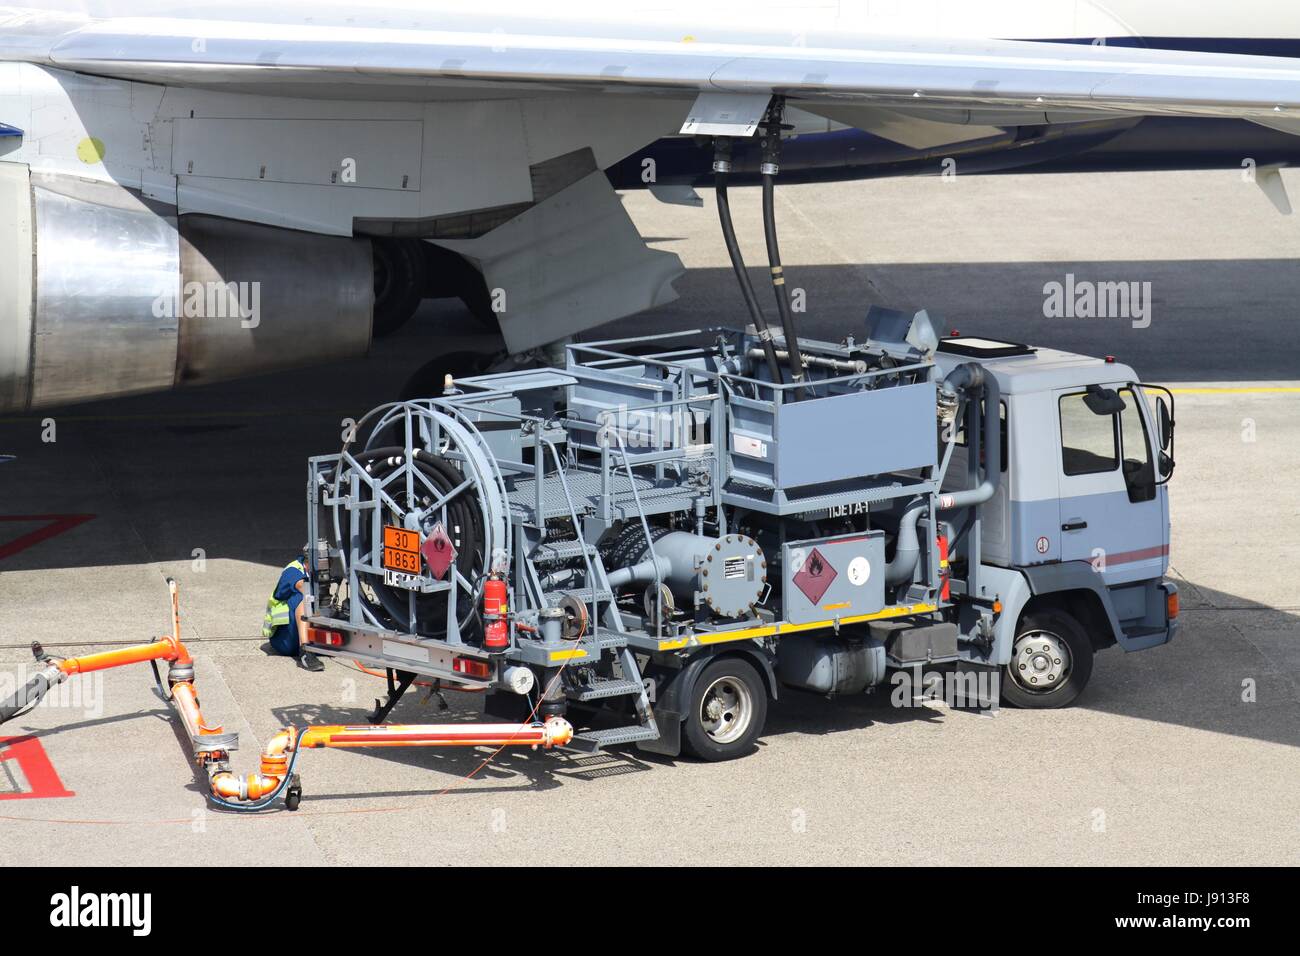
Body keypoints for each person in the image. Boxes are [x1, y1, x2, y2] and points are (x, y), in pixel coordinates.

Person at [262, 546, 324, 672]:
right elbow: (301, 586)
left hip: (296, 635)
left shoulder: (311, 571)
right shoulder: (293, 570)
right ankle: (305, 653)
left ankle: (311, 644)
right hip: (284, 638)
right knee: (302, 597)